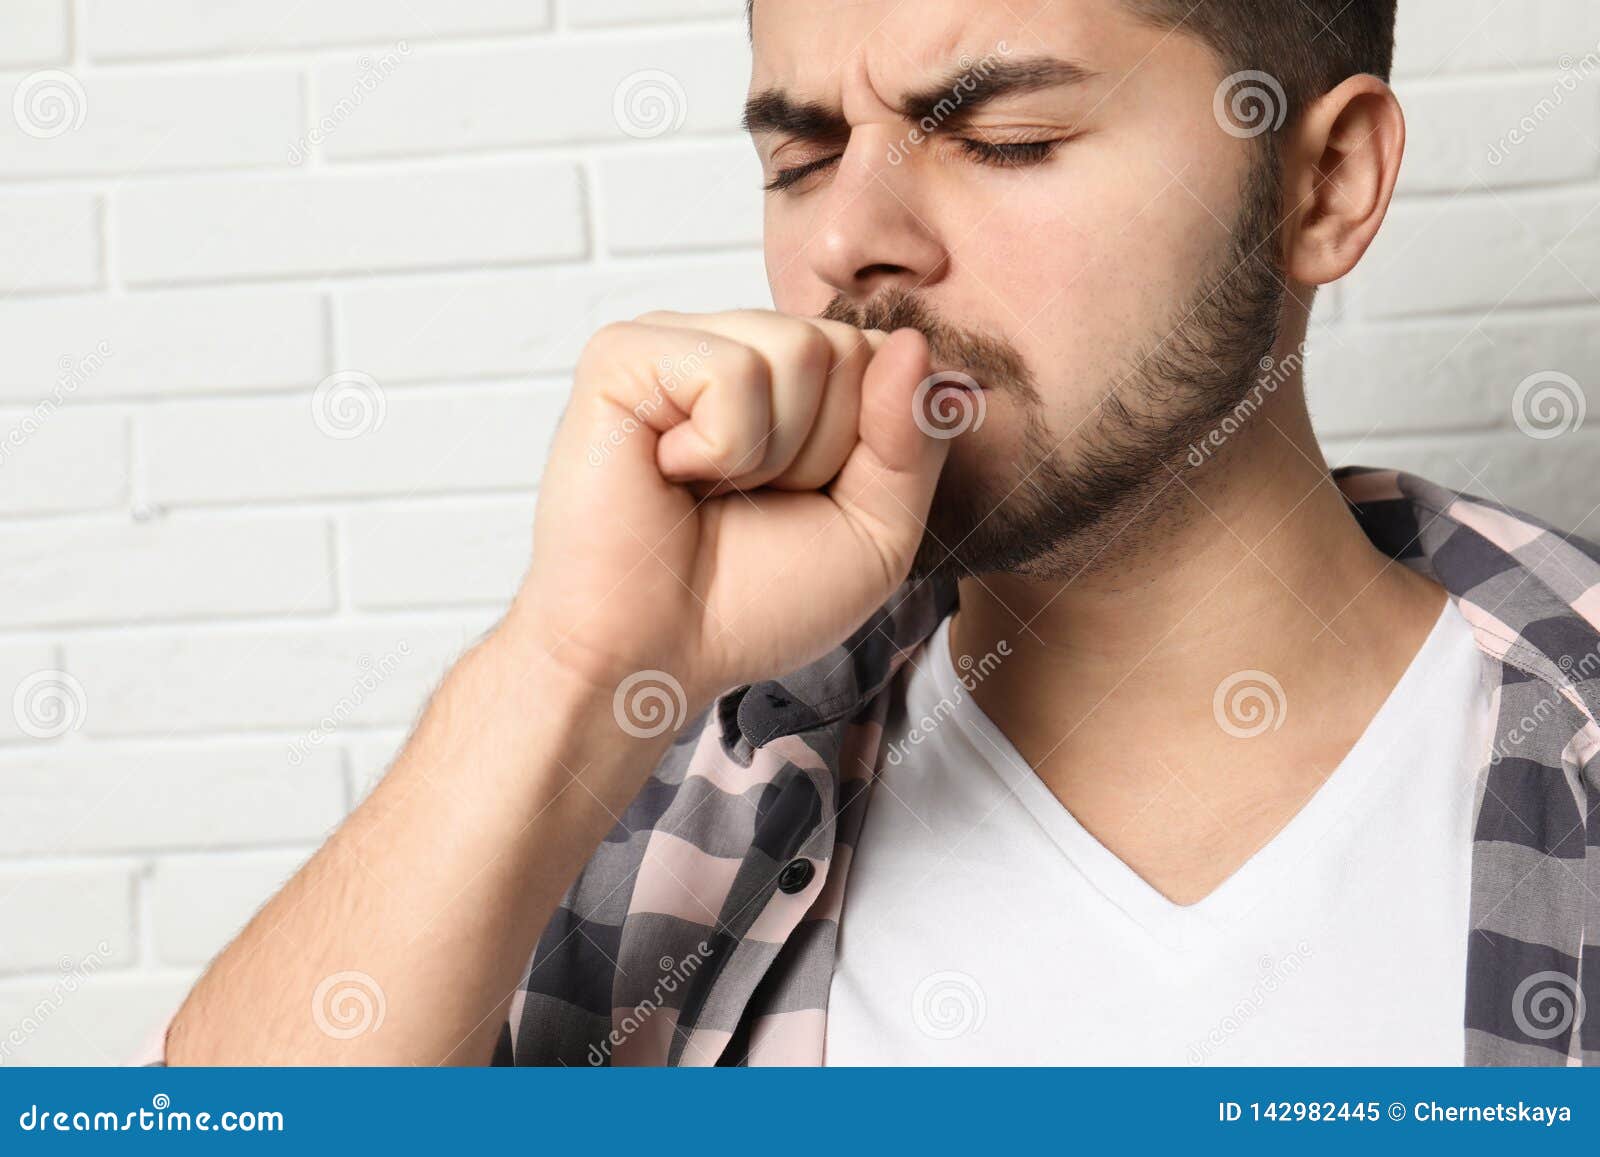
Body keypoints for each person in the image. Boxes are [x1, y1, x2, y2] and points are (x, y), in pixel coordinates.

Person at [162, 0, 1598, 1067]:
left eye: (1003, 140)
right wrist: (574, 665)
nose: (849, 241)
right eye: (801, 158)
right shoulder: (659, 788)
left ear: (1323, 182)